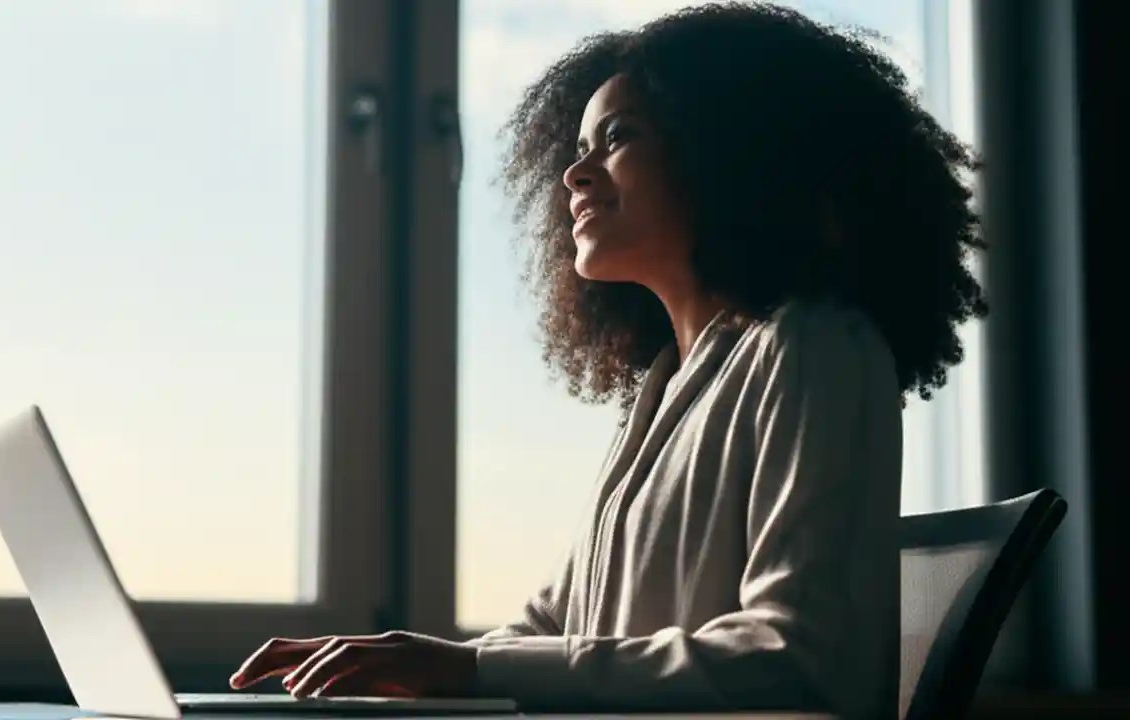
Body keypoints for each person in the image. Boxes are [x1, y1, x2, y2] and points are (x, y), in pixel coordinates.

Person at [228, 2, 986, 716]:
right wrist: (409, 665)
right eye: (580, 148)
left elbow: (799, 657)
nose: (575, 175)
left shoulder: (815, 346)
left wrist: (470, 669)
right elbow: (560, 623)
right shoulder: (666, 387)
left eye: (618, 138)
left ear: (728, 148)